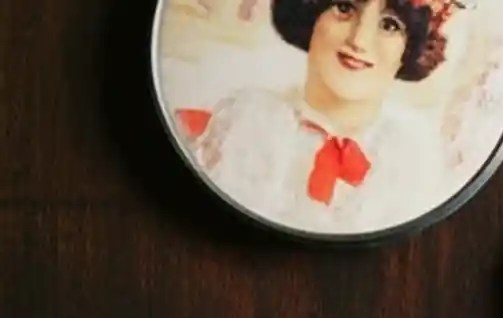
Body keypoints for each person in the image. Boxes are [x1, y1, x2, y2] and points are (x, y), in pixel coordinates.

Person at [172, 0, 462, 234]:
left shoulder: (411, 160)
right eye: (345, 8)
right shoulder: (246, 123)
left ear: (410, 48)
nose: (359, 40)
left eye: (389, 25)